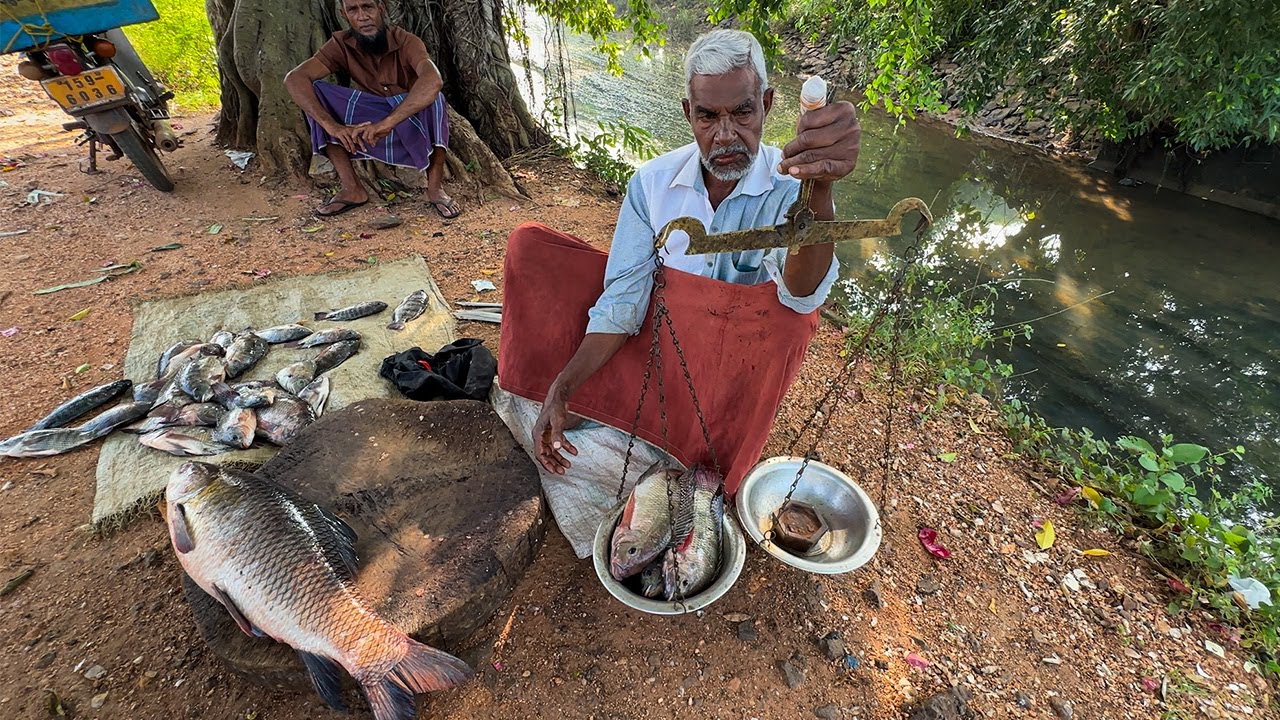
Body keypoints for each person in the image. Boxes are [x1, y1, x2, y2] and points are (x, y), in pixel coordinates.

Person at [529, 28, 859, 477]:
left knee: (790, 319)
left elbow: (803, 295)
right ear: (689, 113)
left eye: (742, 112)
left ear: (766, 104)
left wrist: (819, 189)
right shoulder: (651, 185)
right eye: (708, 117)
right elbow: (622, 302)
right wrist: (564, 386)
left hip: (738, 371)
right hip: (665, 360)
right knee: (530, 246)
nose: (725, 136)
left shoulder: (791, 190)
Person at [284, 0, 460, 219]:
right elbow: (294, 78)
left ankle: (434, 190)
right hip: (371, 113)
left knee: (436, 100)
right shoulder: (340, 45)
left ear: (381, 8)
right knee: (316, 93)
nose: (362, 16)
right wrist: (333, 127)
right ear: (344, 14)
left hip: (409, 116)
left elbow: (433, 80)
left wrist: (387, 123)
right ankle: (352, 188)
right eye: (353, 10)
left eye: (368, 7)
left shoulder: (406, 41)